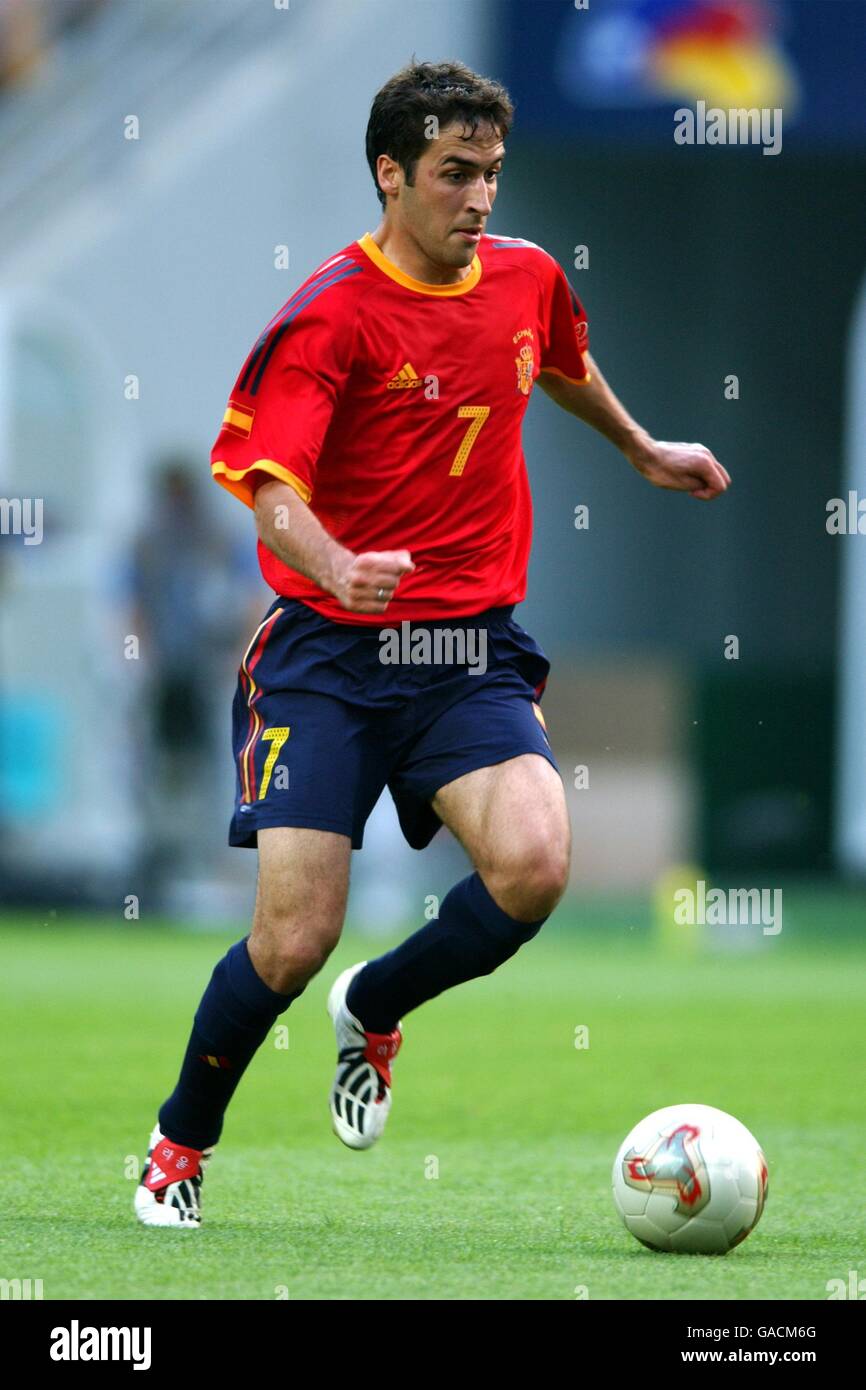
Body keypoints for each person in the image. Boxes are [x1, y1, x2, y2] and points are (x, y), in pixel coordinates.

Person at [134, 59, 730, 1227]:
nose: (479, 196)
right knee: (292, 938)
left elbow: (556, 358)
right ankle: (177, 1145)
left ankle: (376, 1004)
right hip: (326, 653)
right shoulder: (330, 315)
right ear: (390, 174)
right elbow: (267, 490)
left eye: (491, 172)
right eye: (454, 173)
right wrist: (334, 564)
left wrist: (639, 447)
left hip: (464, 652)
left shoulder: (525, 277)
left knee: (533, 865)